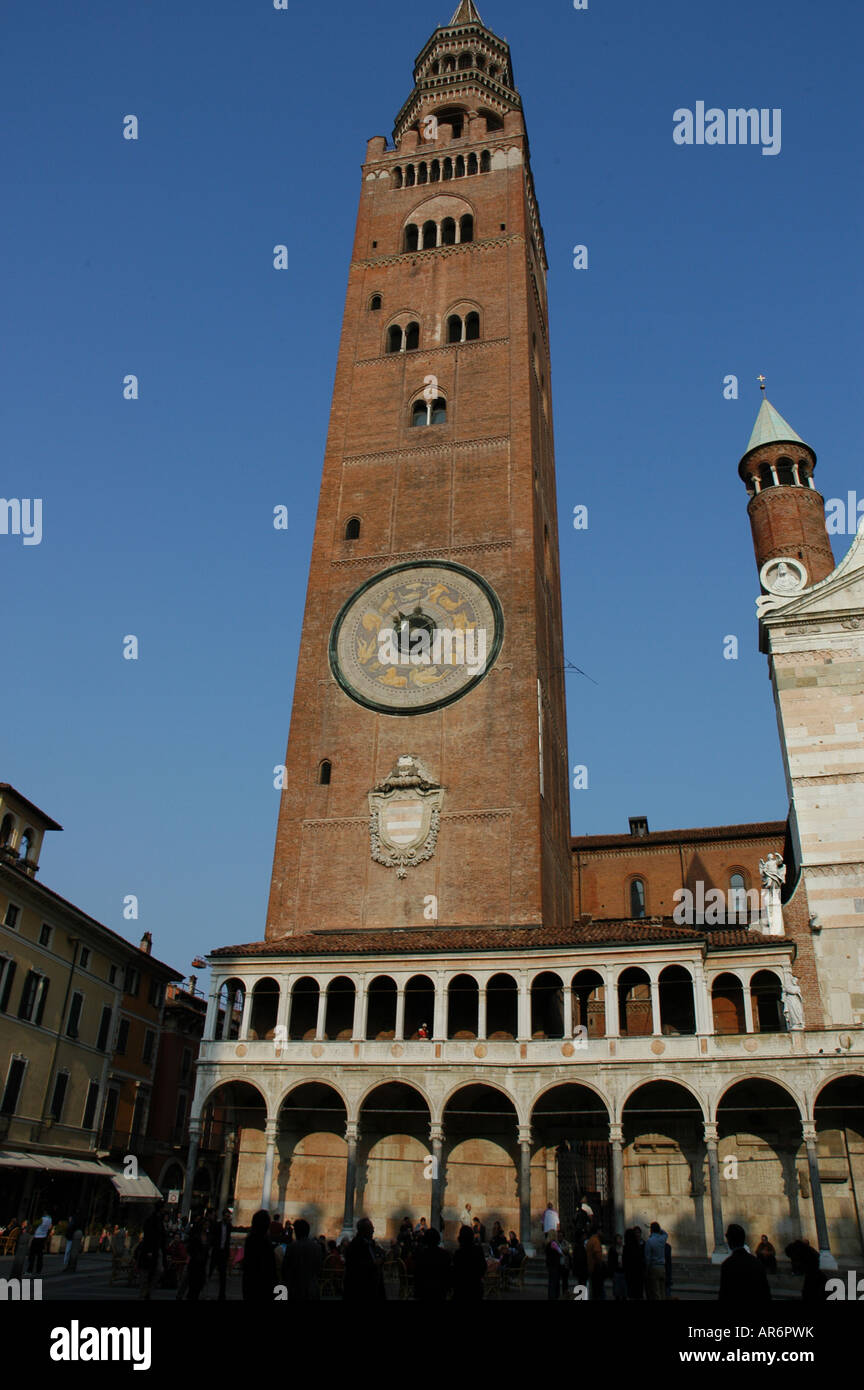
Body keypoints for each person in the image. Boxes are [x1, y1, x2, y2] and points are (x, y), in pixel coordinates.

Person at [719, 1225, 771, 1303]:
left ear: (730, 1241)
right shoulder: (756, 1262)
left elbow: (724, 1294)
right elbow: (765, 1292)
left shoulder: (727, 1265)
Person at [281, 1216, 323, 1300]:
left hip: (295, 1288)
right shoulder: (317, 1247)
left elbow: (285, 1269)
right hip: (311, 1288)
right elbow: (319, 1269)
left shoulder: (291, 1247)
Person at [343, 1217, 385, 1301]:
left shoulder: (371, 1243)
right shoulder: (355, 1245)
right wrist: (374, 1264)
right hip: (361, 1288)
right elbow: (355, 1266)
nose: (373, 1230)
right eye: (371, 1228)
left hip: (373, 1287)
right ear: (364, 1230)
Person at [242, 1209, 277, 1302]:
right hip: (264, 1285)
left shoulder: (250, 1240)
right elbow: (270, 1267)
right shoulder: (266, 1242)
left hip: (250, 1284)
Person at [137, 1201, 167, 1300]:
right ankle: (145, 1293)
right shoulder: (152, 1220)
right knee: (146, 1275)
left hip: (155, 1250)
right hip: (150, 1251)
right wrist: (149, 1250)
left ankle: (147, 1292)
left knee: (156, 1271)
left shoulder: (158, 1220)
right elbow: (149, 1236)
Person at [413, 1227, 451, 1301]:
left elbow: (417, 1275)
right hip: (439, 1291)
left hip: (424, 1291)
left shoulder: (421, 1255)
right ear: (438, 1239)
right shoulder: (445, 1254)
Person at [451, 1225, 486, 1301]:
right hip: (475, 1288)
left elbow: (455, 1272)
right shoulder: (478, 1250)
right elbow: (483, 1268)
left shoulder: (458, 1253)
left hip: (461, 1290)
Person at [208, 1207, 233, 1300]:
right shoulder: (217, 1225)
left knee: (223, 1275)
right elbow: (213, 1237)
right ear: (223, 1216)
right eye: (227, 1216)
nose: (228, 1218)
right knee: (210, 1271)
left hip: (223, 1253)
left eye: (229, 1216)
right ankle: (205, 1290)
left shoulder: (229, 1226)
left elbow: (227, 1239)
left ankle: (222, 1295)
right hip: (216, 1251)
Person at [644, 1222, 667, 1300]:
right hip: (662, 1267)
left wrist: (647, 1269)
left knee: (655, 1291)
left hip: (654, 1267)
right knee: (662, 1290)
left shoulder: (649, 1241)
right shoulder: (663, 1238)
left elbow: (647, 1258)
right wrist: (660, 1230)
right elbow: (665, 1233)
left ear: (651, 1230)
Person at [622, 1228, 644, 1300]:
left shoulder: (626, 1247)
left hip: (630, 1274)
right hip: (638, 1273)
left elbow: (625, 1261)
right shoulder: (637, 1247)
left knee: (632, 1293)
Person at [586, 1226, 606, 1300]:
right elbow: (597, 1254)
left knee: (594, 1290)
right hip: (596, 1268)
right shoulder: (595, 1241)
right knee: (598, 1291)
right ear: (598, 1231)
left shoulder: (590, 1241)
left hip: (591, 1267)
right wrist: (601, 1264)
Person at [545, 1235, 565, 1300]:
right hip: (554, 1265)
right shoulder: (553, 1244)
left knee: (551, 1281)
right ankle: (553, 1295)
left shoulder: (548, 1244)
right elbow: (560, 1252)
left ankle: (551, 1295)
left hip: (550, 1264)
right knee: (554, 1281)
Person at [609, 1233, 627, 1300]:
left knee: (624, 1290)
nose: (620, 1240)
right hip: (616, 1271)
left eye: (621, 1239)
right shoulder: (613, 1249)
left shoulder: (624, 1248)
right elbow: (610, 1261)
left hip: (623, 1271)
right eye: (618, 1239)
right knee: (617, 1291)